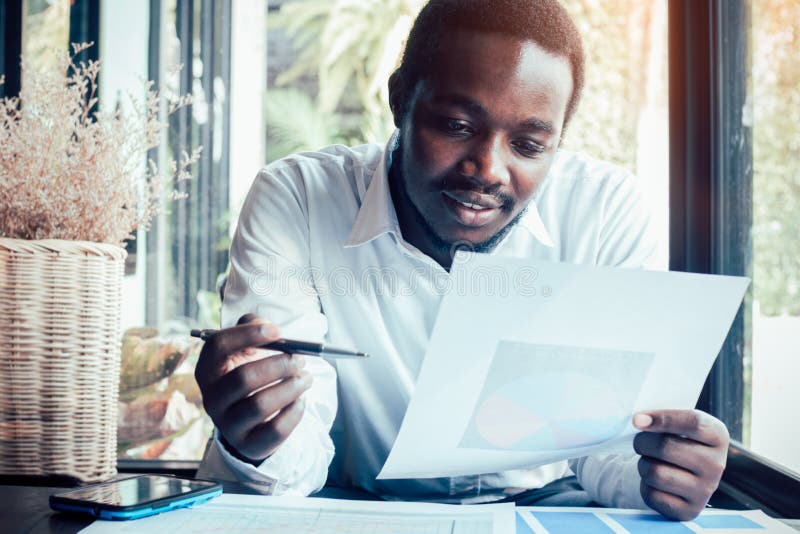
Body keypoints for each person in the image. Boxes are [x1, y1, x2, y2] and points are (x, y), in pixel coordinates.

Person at [195, 0, 729, 521]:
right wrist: (260, 438)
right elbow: (293, 455)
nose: (488, 169)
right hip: (356, 508)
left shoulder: (607, 211)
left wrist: (662, 474)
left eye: (527, 144)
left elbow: (609, 449)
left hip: (549, 507)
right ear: (400, 98)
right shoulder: (299, 199)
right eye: (455, 126)